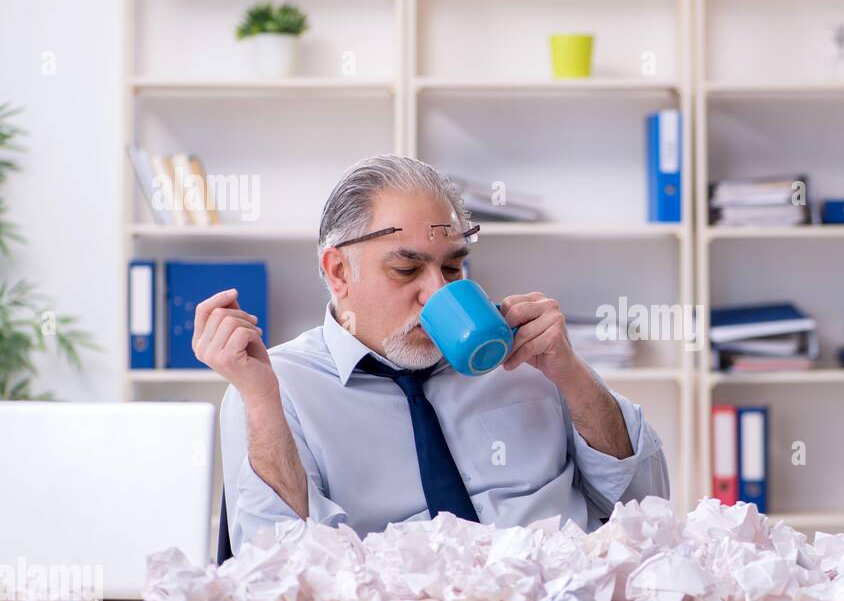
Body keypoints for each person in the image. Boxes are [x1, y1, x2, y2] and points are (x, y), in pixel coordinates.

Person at [198, 155, 669, 554]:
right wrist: (262, 401)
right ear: (339, 271)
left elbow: (644, 501)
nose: (436, 291)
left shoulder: (525, 356)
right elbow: (277, 559)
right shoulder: (277, 387)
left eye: (452, 265)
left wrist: (573, 376)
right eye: (407, 269)